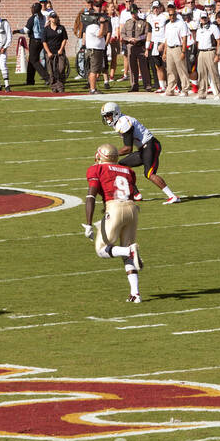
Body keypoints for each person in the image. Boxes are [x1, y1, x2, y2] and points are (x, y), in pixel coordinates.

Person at [84, 143, 146, 302]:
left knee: (102, 249)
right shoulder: (128, 171)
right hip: (132, 209)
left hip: (114, 209)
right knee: (126, 250)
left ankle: (129, 251)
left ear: (100, 156)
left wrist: (89, 223)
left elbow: (90, 196)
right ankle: (135, 294)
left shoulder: (96, 169)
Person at [101, 102, 180, 203]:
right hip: (144, 148)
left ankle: (173, 196)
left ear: (115, 113)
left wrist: (111, 154)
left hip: (151, 145)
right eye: (105, 116)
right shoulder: (120, 122)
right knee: (121, 166)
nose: (107, 118)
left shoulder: (124, 122)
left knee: (149, 174)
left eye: (108, 115)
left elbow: (128, 149)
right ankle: (136, 194)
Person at [161, 3, 191, 96]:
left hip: (178, 48)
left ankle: (185, 89)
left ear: (176, 14)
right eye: (170, 15)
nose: (172, 16)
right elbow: (166, 39)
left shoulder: (181, 24)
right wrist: (165, 52)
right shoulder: (168, 25)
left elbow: (184, 38)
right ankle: (170, 89)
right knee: (170, 70)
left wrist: (183, 51)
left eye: (173, 14)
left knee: (181, 69)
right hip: (169, 48)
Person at [42, 12, 69, 92]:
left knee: (61, 68)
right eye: (52, 17)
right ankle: (54, 86)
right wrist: (48, 52)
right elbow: (44, 42)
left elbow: (64, 39)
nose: (54, 19)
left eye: (55, 17)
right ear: (49, 18)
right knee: (52, 70)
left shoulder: (61, 28)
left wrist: (61, 49)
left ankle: (60, 85)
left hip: (60, 52)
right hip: (50, 52)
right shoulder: (46, 29)